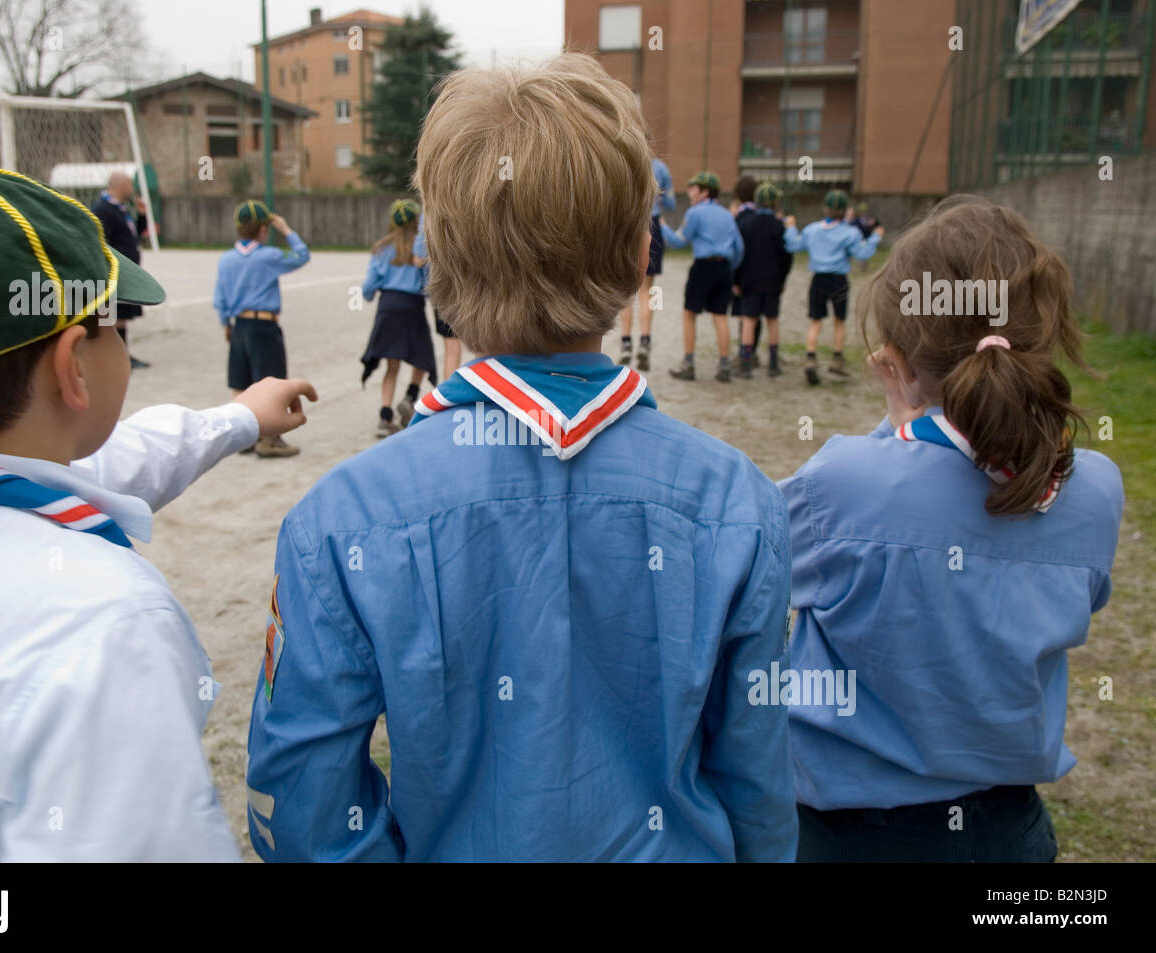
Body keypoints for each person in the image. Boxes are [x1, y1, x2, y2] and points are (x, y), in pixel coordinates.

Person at [245, 54, 796, 863]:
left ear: (437, 264)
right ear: (642, 258)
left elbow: (300, 813)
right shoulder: (740, 504)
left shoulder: (341, 518)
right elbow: (758, 787)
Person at [0, 157, 319, 861]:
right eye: (114, 326)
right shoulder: (100, 625)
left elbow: (93, 468)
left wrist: (235, 419)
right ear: (73, 365)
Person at [780, 196, 1122, 862]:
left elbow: (747, 565)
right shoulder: (1097, 486)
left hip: (847, 837)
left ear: (899, 360)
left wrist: (898, 420)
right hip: (1007, 831)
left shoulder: (845, 482)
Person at [213, 200, 311, 457]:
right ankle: (269, 438)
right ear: (264, 230)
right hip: (264, 323)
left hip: (239, 324)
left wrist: (226, 323)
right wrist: (287, 229)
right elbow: (302, 255)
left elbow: (220, 298)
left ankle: (242, 437)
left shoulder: (226, 260)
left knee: (240, 380)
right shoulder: (267, 256)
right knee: (271, 381)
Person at [784, 189, 883, 385]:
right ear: (845, 210)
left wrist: (791, 227)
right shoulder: (850, 233)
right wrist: (876, 237)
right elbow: (862, 254)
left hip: (818, 279)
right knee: (839, 320)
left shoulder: (812, 230)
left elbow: (794, 246)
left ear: (825, 208)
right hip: (839, 280)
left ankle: (810, 357)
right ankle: (837, 359)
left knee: (815, 320)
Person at [360, 199, 437, 436]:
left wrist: (371, 294)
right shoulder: (420, 249)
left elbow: (368, 288)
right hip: (412, 305)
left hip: (388, 306)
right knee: (422, 357)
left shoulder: (382, 249)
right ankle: (411, 394)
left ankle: (385, 415)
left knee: (391, 365)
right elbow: (429, 282)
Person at [660, 171, 745, 382]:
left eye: (693, 188)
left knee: (689, 314)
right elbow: (739, 248)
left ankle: (688, 364)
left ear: (705, 192)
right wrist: (729, 267)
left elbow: (679, 241)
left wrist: (662, 226)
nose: (689, 193)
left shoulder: (695, 213)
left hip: (703, 267)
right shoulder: (728, 215)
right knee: (720, 316)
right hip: (724, 269)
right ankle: (724, 367)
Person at [617, 156, 674, 371]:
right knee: (647, 290)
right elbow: (671, 203)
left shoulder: (624, 160)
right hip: (652, 224)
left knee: (625, 291)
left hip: (629, 226)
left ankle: (625, 344)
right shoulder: (660, 167)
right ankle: (645, 342)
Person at [91, 170, 151, 369]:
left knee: (122, 315)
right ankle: (113, 358)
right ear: (121, 185)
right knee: (112, 316)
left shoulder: (120, 208)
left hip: (125, 272)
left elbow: (135, 233)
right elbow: (101, 241)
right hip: (113, 273)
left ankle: (123, 355)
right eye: (130, 184)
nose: (132, 189)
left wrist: (142, 215)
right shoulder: (103, 208)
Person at [732, 181, 792, 379]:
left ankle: (746, 363)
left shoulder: (746, 224)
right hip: (773, 280)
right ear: (775, 203)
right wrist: (783, 277)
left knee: (749, 320)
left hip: (750, 279)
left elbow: (739, 254)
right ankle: (773, 363)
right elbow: (786, 255)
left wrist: (736, 279)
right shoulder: (780, 226)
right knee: (772, 320)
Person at [413, 213, 461, 381]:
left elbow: (420, 252)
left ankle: (450, 396)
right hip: (471, 279)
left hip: (443, 283)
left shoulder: (434, 194)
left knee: (451, 343)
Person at [728, 175, 758, 357]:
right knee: (755, 316)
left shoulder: (737, 220)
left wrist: (734, 279)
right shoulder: (759, 216)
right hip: (760, 275)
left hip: (742, 274)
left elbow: (735, 250)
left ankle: (744, 352)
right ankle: (752, 351)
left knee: (744, 316)